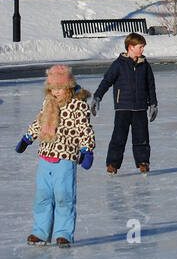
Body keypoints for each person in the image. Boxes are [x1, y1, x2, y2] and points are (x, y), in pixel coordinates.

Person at [16, 64, 95, 246]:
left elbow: (84, 129)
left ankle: (64, 234)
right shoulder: (48, 101)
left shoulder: (77, 105)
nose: (56, 92)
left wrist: (87, 149)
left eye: (59, 88)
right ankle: (40, 232)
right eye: (52, 88)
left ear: (67, 86)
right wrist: (28, 137)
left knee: (64, 196)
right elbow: (40, 121)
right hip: (45, 155)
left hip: (65, 157)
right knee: (43, 197)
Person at [91, 32, 158, 173]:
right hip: (123, 107)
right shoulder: (118, 65)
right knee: (119, 136)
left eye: (143, 47)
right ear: (130, 47)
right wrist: (97, 96)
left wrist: (153, 104)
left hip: (140, 107)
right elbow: (107, 81)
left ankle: (143, 162)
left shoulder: (145, 65)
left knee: (142, 137)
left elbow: (150, 85)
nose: (142, 50)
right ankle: (113, 164)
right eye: (140, 47)